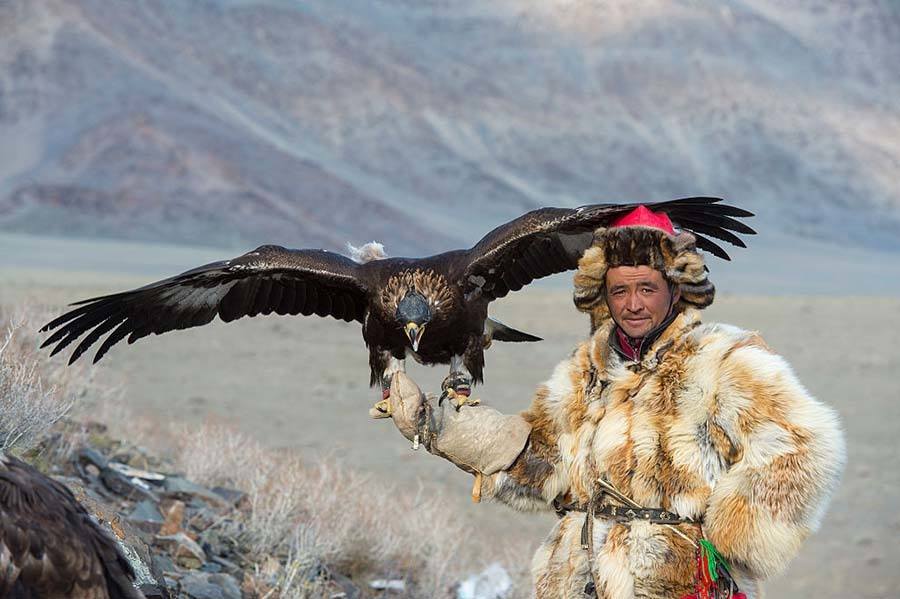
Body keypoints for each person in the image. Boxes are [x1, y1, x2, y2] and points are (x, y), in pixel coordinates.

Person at [374, 206, 846, 599]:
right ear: (603, 294)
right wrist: (438, 429)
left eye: (647, 288)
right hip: (576, 582)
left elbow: (804, 448)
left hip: (682, 584)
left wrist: (726, 541)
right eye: (620, 290)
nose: (633, 304)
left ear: (675, 291)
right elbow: (540, 466)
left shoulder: (724, 360)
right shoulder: (586, 370)